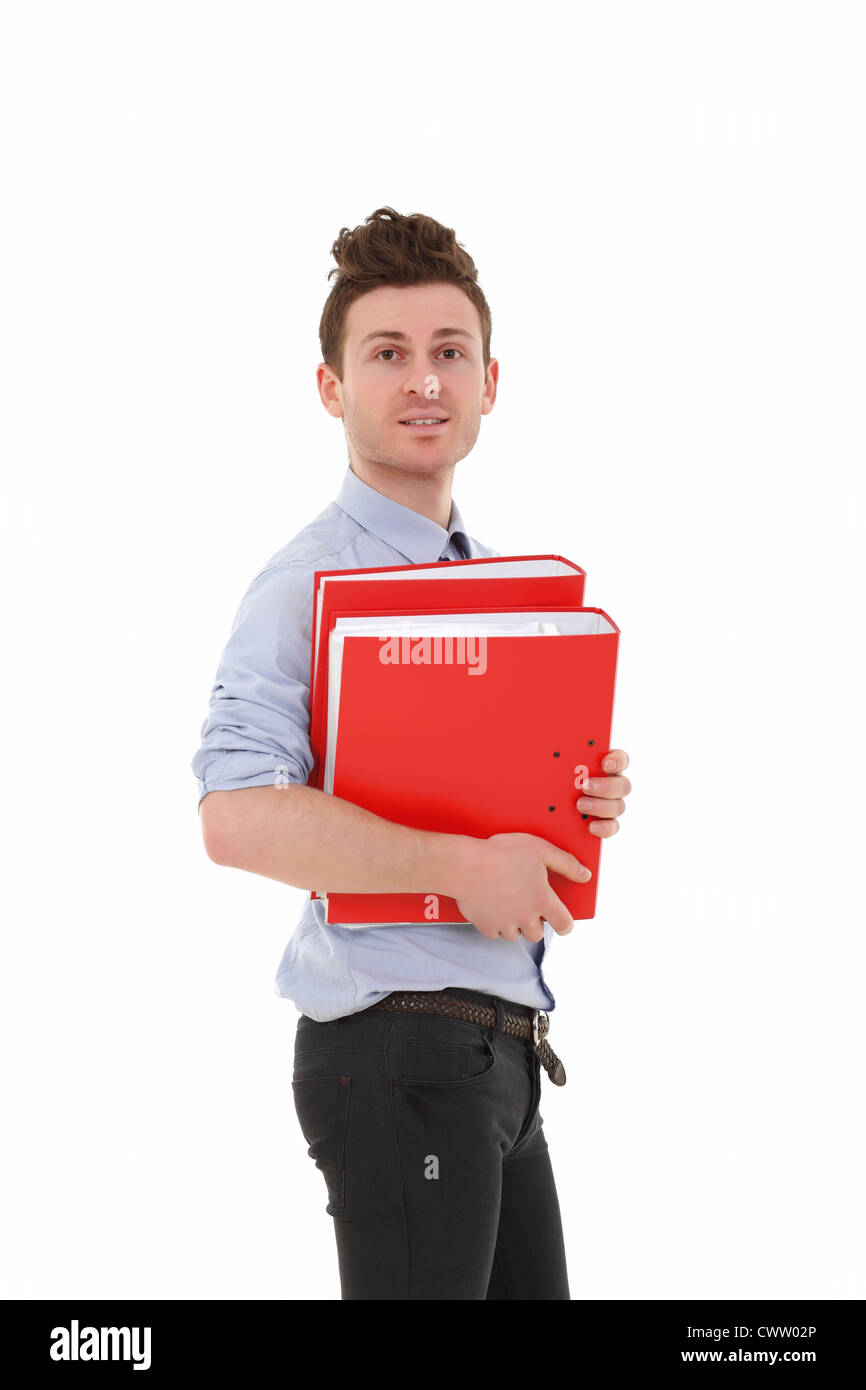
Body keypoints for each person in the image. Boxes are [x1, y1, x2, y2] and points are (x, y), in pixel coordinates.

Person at [192, 206, 632, 1299]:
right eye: (386, 354)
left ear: (490, 383)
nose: (422, 379)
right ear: (331, 388)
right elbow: (233, 814)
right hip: (393, 1051)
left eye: (448, 353)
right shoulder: (302, 581)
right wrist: (457, 864)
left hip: (504, 1054)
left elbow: (469, 798)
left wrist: (575, 800)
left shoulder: (502, 586)